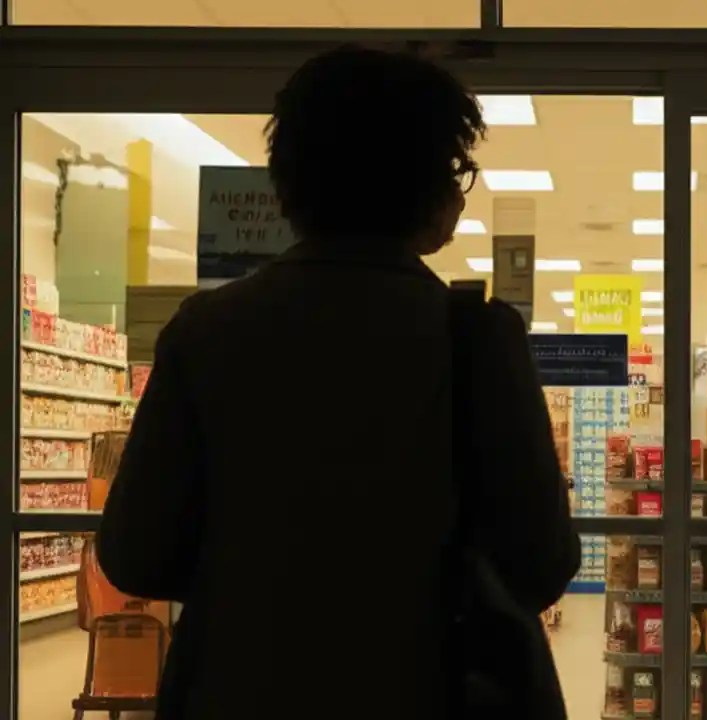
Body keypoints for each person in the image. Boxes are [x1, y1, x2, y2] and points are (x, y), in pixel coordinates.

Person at [95, 46, 580, 719]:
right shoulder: (476, 338)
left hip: (238, 691)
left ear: (287, 183)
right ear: (437, 195)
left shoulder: (206, 332)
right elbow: (539, 561)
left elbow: (136, 555)